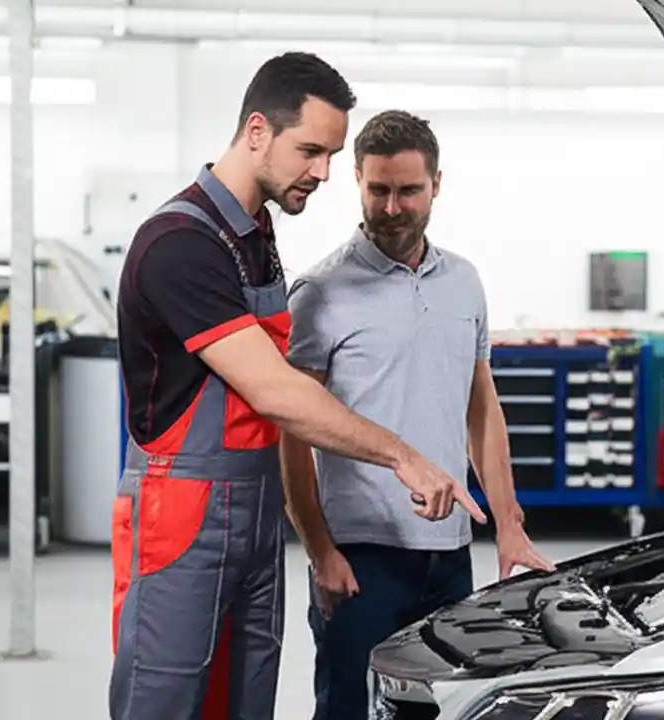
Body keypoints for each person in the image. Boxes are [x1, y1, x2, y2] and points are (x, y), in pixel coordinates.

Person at [109, 57, 485, 720]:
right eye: (310, 151)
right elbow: (276, 391)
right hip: (184, 510)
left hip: (254, 515)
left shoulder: (255, 238)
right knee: (164, 700)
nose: (322, 172)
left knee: (245, 700)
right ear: (257, 131)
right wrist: (402, 454)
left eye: (331, 155)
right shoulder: (178, 243)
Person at [281, 109, 555, 720]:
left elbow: (480, 408)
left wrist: (507, 525)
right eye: (378, 189)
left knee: (437, 712)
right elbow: (293, 433)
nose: (393, 207)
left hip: (450, 554)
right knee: (350, 708)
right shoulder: (321, 292)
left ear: (436, 185)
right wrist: (319, 549)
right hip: (360, 558)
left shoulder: (465, 282)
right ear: (356, 180)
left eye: (409, 190)